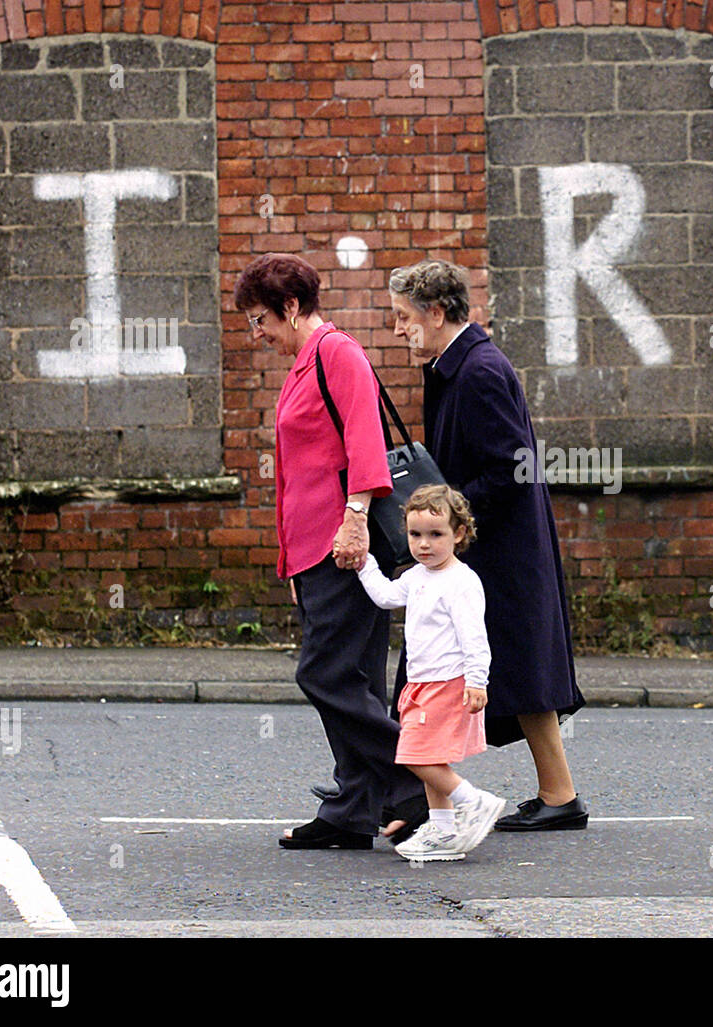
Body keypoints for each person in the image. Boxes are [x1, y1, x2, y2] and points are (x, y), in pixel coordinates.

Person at [233, 252, 427, 850]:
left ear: (291, 308)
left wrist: (353, 524)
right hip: (314, 550)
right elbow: (301, 471)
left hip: (343, 546)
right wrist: (292, 559)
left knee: (323, 674)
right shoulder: (303, 364)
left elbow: (366, 447)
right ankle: (352, 810)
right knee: (356, 680)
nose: (256, 334)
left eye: (260, 319)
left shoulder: (337, 354)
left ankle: (416, 785)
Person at [388, 259, 588, 831]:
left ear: (435, 311)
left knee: (459, 671)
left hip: (498, 549)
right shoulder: (458, 365)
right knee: (515, 672)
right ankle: (556, 794)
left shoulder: (477, 371)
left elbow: (510, 469)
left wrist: (442, 523)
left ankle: (420, 803)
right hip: (488, 543)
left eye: (403, 317)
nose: (398, 329)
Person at [356, 485, 506, 861]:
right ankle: (442, 827)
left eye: (436, 534)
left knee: (415, 756)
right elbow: (387, 597)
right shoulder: (418, 576)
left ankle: (473, 801)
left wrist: (476, 680)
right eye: (415, 534)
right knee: (432, 757)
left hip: (447, 682)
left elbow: (475, 636)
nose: (424, 544)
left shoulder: (461, 582)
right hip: (420, 684)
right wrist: (364, 565)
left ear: (459, 534)